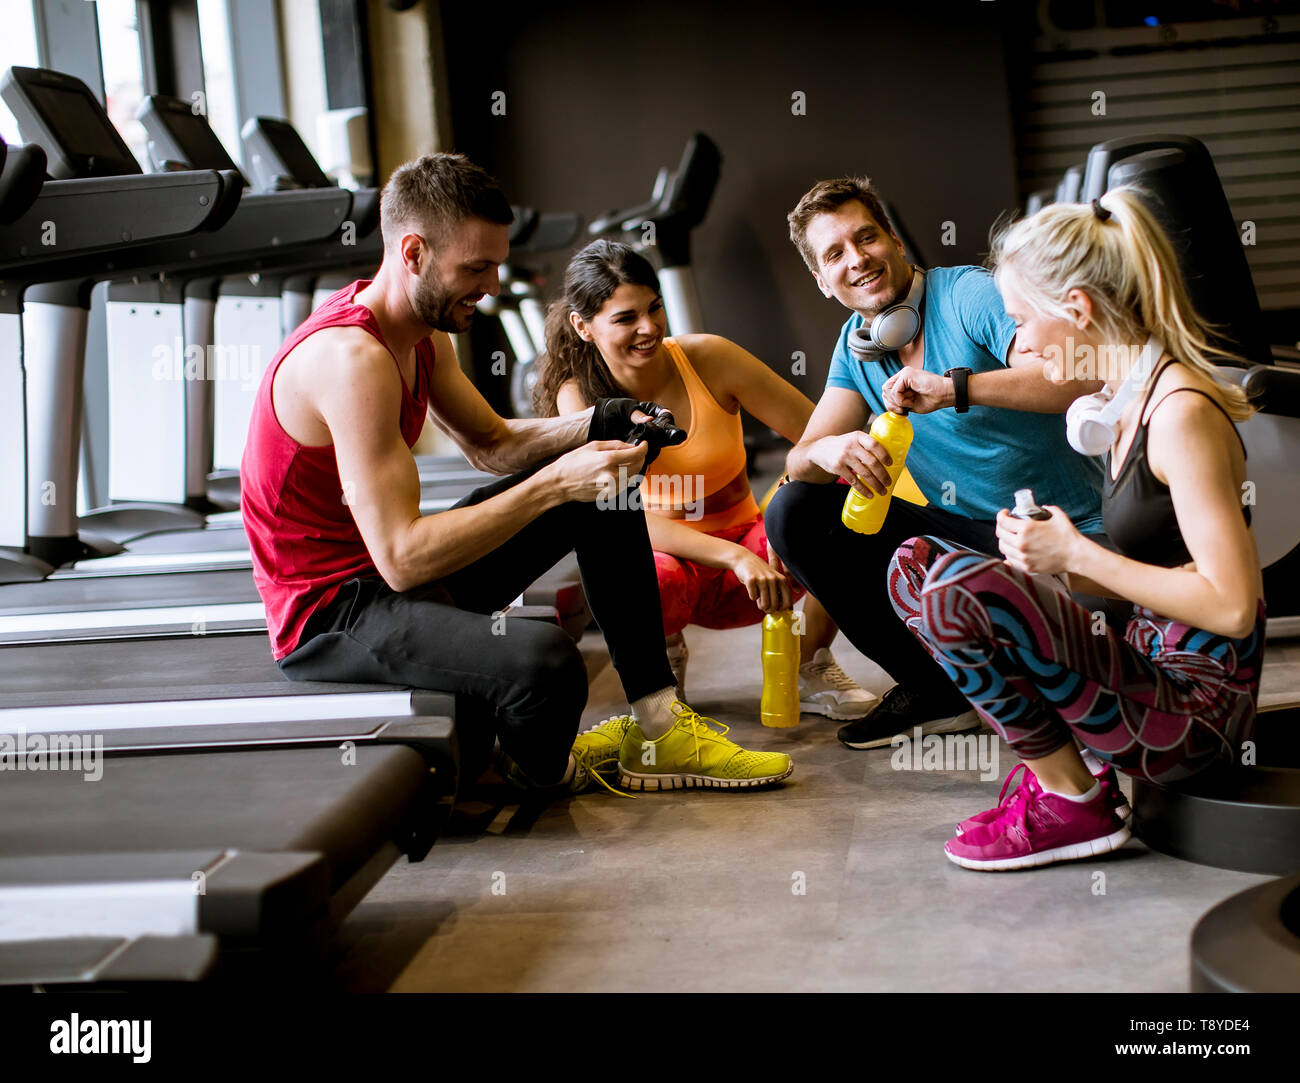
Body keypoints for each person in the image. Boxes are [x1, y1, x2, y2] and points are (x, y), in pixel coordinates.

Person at [241, 153, 792, 796]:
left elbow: (494, 444)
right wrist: (558, 482)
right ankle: (533, 776)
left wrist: (600, 422)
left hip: (391, 582)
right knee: (547, 666)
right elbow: (403, 560)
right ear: (413, 252)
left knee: (604, 483)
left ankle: (658, 724)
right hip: (336, 615)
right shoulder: (351, 359)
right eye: (476, 268)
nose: (494, 285)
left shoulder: (423, 336)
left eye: (495, 264)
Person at [892, 188, 1264, 870]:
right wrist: (1046, 568)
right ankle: (1058, 780)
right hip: (1148, 671)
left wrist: (1076, 551)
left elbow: (1233, 605)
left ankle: (1072, 804)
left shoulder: (1180, 414)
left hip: (1195, 719)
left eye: (1021, 323)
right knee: (914, 565)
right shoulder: (1127, 407)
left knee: (954, 590)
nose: (1021, 343)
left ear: (1078, 310)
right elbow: (1147, 583)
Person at [766, 176, 1109, 751]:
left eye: (866, 237)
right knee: (795, 508)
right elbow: (800, 458)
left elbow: (1079, 376)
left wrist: (956, 389)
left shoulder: (968, 295)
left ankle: (1033, 660)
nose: (858, 259)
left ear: (896, 241)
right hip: (969, 537)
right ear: (822, 281)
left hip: (1060, 533)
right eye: (835, 254)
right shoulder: (859, 345)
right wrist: (829, 450)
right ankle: (935, 693)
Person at [534, 239, 875, 719]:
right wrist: (731, 556)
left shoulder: (710, 358)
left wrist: (781, 513)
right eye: (625, 319)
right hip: (675, 573)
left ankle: (811, 660)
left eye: (654, 308)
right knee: (643, 567)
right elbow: (617, 517)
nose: (649, 328)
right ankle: (663, 671)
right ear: (583, 327)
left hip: (762, 562)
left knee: (838, 490)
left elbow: (821, 436)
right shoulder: (580, 398)